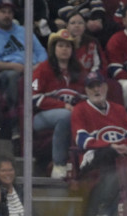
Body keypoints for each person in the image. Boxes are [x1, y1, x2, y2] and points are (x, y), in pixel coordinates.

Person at [71, 71, 127, 216]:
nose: (96, 90)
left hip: (120, 153)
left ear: (106, 87)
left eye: (99, 86)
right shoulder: (80, 109)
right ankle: (103, 210)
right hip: (92, 155)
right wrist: (110, 145)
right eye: (92, 87)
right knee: (111, 163)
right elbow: (82, 140)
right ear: (87, 90)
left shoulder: (119, 109)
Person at [0, 0, 48, 139]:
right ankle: (14, 124)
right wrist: (13, 66)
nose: (7, 15)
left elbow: (42, 52)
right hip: (5, 73)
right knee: (11, 78)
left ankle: (42, 113)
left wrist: (37, 66)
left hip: (33, 70)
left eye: (10, 12)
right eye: (3, 11)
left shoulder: (24, 31)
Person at [32, 29, 87, 180]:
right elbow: (34, 98)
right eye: (61, 46)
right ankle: (59, 165)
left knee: (73, 116)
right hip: (40, 117)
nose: (64, 49)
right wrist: (61, 106)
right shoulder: (42, 69)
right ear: (53, 49)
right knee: (65, 116)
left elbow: (85, 97)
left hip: (73, 113)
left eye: (68, 46)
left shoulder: (79, 70)